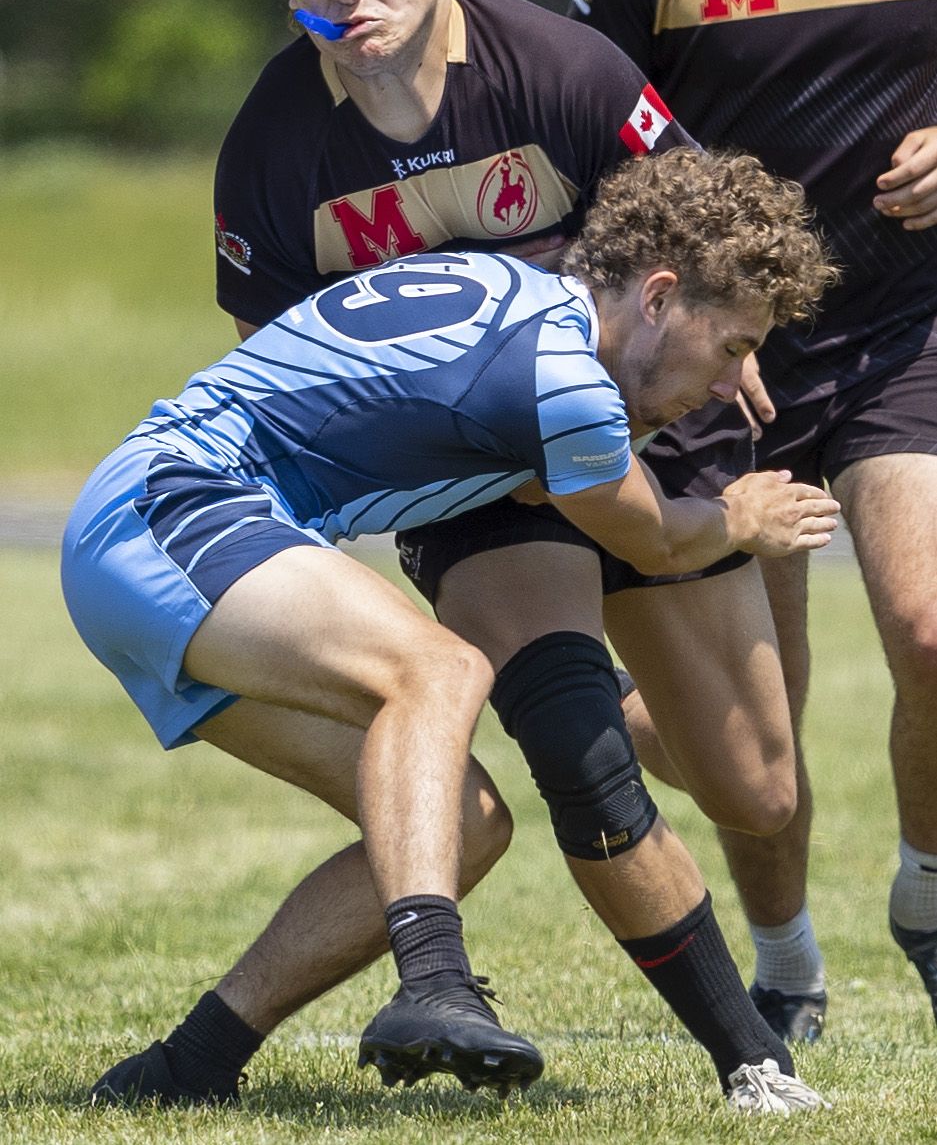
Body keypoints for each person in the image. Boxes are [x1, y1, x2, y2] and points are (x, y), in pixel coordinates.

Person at [63, 149, 839, 1115]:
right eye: (731, 346)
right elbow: (655, 538)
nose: (731, 382)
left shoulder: (519, 298)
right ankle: (432, 982)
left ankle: (191, 1062)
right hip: (172, 504)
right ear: (658, 294)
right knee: (437, 669)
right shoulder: (563, 377)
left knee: (457, 826)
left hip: (147, 545)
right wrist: (742, 516)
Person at [569, 0, 937, 1044]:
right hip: (725, 368)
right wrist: (681, 340)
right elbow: (595, 144)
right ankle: (785, 965)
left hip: (907, 329)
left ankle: (926, 896)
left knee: (931, 629)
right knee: (756, 749)